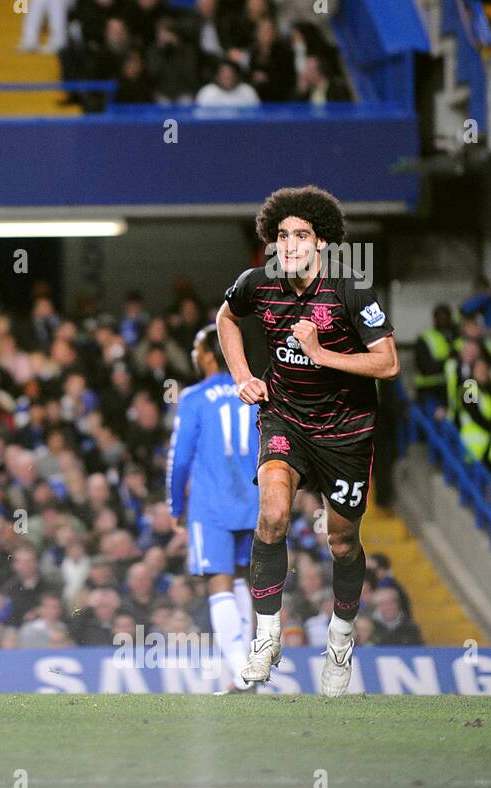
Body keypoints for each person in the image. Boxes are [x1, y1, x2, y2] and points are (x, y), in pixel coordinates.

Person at [216, 185, 398, 697]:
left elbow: (388, 362)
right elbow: (225, 318)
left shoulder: (351, 290)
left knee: (340, 542)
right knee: (272, 514)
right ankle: (266, 638)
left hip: (347, 433)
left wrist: (320, 352)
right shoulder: (258, 283)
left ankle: (340, 641)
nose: (290, 244)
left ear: (322, 243)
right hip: (286, 419)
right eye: (282, 235)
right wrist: (242, 375)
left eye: (301, 235)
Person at [166, 323, 258, 692]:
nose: (192, 354)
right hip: (253, 500)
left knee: (219, 584)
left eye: (195, 348)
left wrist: (176, 505)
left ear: (207, 354)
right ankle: (250, 668)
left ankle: (241, 671)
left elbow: (180, 457)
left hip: (211, 505)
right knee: (243, 582)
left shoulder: (194, 397)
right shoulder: (256, 391)